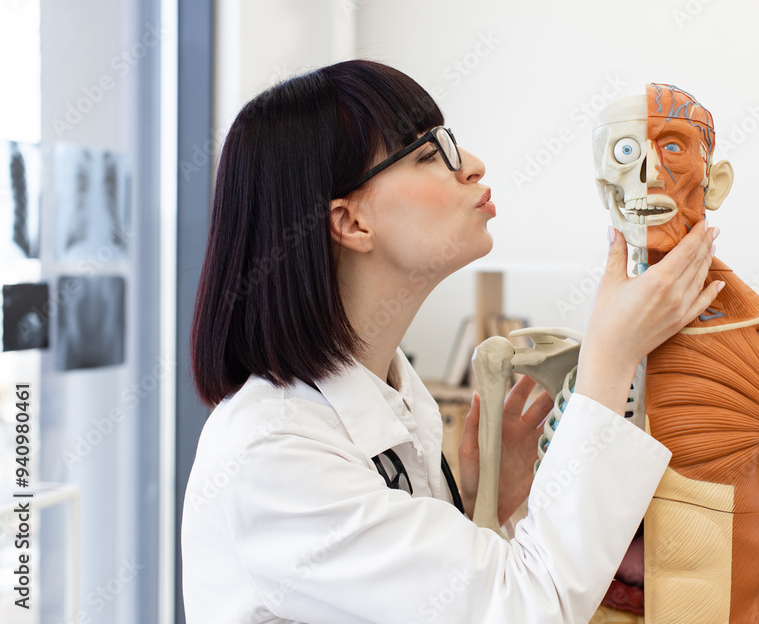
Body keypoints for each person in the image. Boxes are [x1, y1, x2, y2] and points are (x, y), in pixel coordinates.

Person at [180, 59, 722, 623]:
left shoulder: (395, 398)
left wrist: (487, 507)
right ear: (351, 222)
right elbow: (525, 609)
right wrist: (610, 359)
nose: (471, 166)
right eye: (427, 155)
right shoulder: (273, 455)